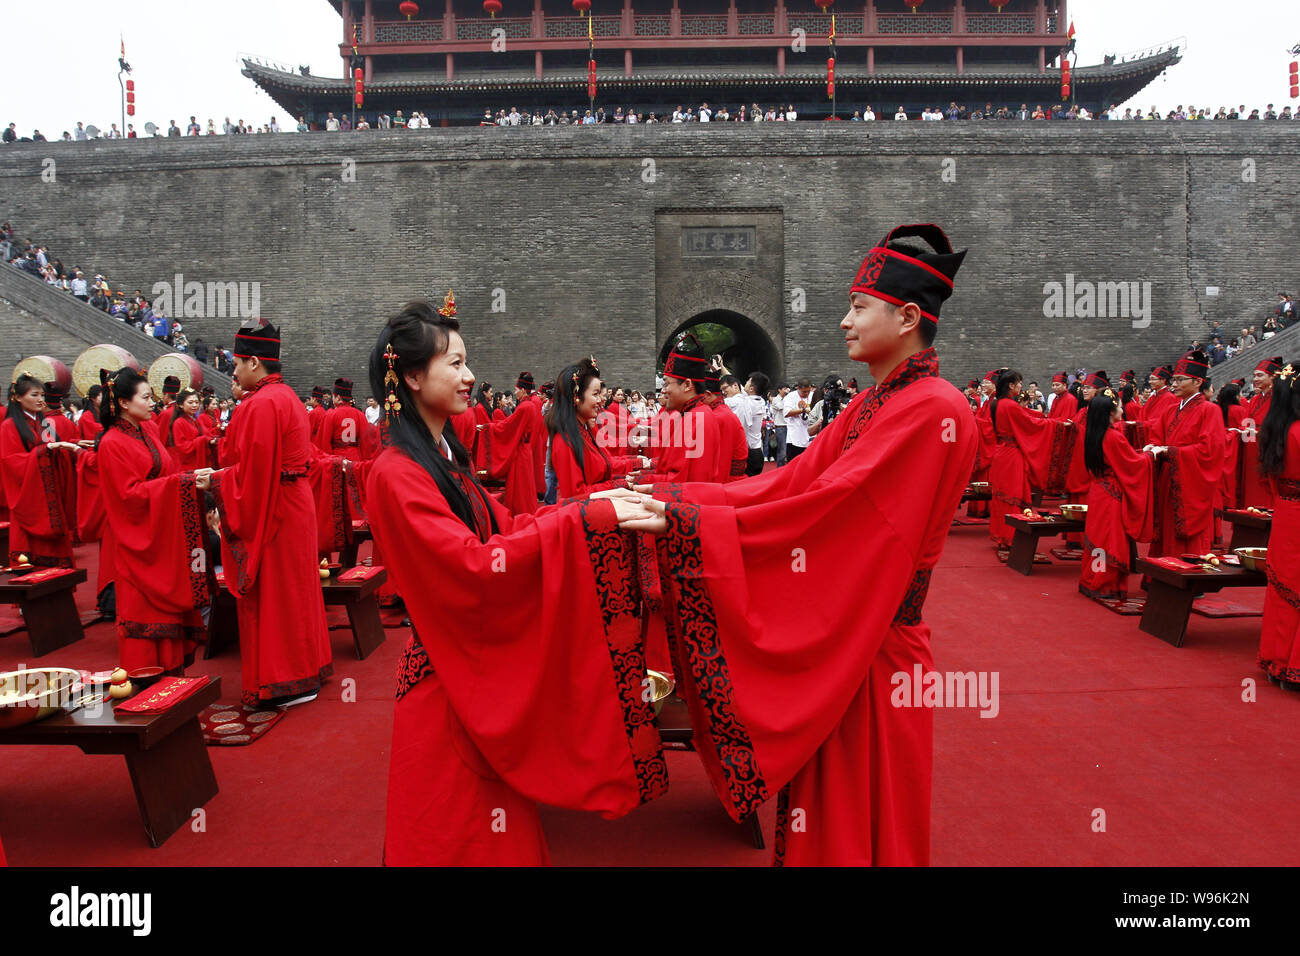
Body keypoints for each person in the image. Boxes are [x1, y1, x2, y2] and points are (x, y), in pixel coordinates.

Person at [619, 224, 977, 865]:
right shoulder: (873, 405)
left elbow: (833, 516)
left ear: (908, 316)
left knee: (867, 820)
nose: (844, 320)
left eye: (859, 306)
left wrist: (691, 524)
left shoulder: (936, 410)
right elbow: (791, 483)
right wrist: (681, 504)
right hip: (850, 640)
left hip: (873, 645)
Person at [363, 298, 667, 865]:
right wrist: (584, 518)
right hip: (449, 686)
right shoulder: (397, 474)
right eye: (453, 363)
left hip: (466, 676)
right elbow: (475, 566)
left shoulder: (440, 459)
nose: (470, 375)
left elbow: (510, 527)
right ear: (409, 375)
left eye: (466, 361)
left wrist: (591, 503)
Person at [208, 322, 333, 708]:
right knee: (297, 591)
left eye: (238, 363)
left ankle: (286, 680)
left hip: (275, 505)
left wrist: (216, 481)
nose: (235, 371)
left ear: (255, 362)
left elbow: (254, 472)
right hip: (295, 501)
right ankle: (307, 669)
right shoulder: (287, 396)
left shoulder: (259, 404)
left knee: (277, 595)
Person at [94, 369, 211, 672]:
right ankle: (149, 687)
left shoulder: (147, 431)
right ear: (122, 402)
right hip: (138, 538)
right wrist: (181, 483)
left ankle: (173, 686)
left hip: (160, 531)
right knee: (145, 613)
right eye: (146, 397)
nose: (153, 403)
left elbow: (165, 474)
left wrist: (186, 478)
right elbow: (129, 497)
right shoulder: (112, 443)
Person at [1141, 351, 1224, 560]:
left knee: (1185, 534)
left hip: (1190, 479)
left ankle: (1186, 576)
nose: (1174, 384)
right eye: (1173, 380)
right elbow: (1157, 436)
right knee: (1165, 526)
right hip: (1168, 477)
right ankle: (1161, 576)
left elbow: (1209, 450)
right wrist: (1152, 447)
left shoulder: (1210, 410)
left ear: (1197, 382)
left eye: (1180, 380)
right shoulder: (1170, 410)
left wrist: (1170, 451)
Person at [1078, 389, 1154, 602]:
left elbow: (1122, 458)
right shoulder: (1113, 436)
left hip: (1098, 492)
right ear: (1110, 412)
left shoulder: (1094, 433)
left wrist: (1139, 453)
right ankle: (1104, 583)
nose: (1123, 410)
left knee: (1097, 540)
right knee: (1109, 541)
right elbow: (1132, 464)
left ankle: (1093, 578)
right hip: (1112, 496)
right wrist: (1150, 455)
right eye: (1119, 406)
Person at [986, 369, 1073, 554]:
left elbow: (1026, 415)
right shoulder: (1009, 405)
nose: (1020, 387)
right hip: (1011, 456)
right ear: (1011, 385)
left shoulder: (998, 404)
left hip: (1001, 453)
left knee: (1003, 497)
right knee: (1013, 496)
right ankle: (1010, 537)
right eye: (1018, 383)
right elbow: (1030, 424)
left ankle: (1002, 535)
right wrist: (1057, 424)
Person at [1, 375, 81, 567]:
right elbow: (11, 462)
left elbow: (54, 446)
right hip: (30, 501)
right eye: (34, 395)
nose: (40, 400)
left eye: (42, 395)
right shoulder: (9, 427)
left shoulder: (44, 422)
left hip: (50, 496)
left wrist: (73, 446)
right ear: (17, 398)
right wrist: (46, 451)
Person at [548, 357, 649, 498]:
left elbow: (605, 463)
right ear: (576, 397)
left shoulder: (584, 431)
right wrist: (620, 485)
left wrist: (633, 465)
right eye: (595, 394)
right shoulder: (565, 441)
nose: (601, 401)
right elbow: (576, 496)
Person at [1257, 362, 1300, 688]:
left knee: (1282, 589)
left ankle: (1276, 659)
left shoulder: (1275, 430)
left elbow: (1271, 483)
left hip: (1285, 512)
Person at [1240, 356, 1283, 508]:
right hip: (1251, 449)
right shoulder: (1255, 399)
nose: (1255, 379)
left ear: (1272, 377)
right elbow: (1246, 421)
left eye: (1260, 375)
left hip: (1267, 448)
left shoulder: (1280, 399)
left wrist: (1260, 433)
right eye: (1254, 375)